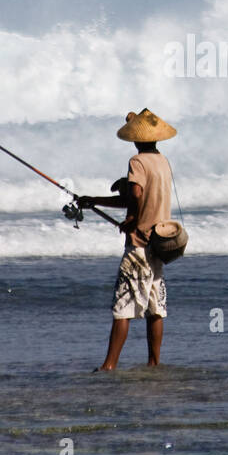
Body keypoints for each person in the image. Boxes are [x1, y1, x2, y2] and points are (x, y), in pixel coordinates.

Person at [77, 109, 175, 371]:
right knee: (155, 308)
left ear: (136, 139)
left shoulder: (137, 162)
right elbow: (140, 193)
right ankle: (154, 363)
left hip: (139, 245)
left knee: (122, 308)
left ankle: (109, 365)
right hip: (159, 243)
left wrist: (131, 216)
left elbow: (136, 194)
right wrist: (99, 200)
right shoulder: (163, 162)